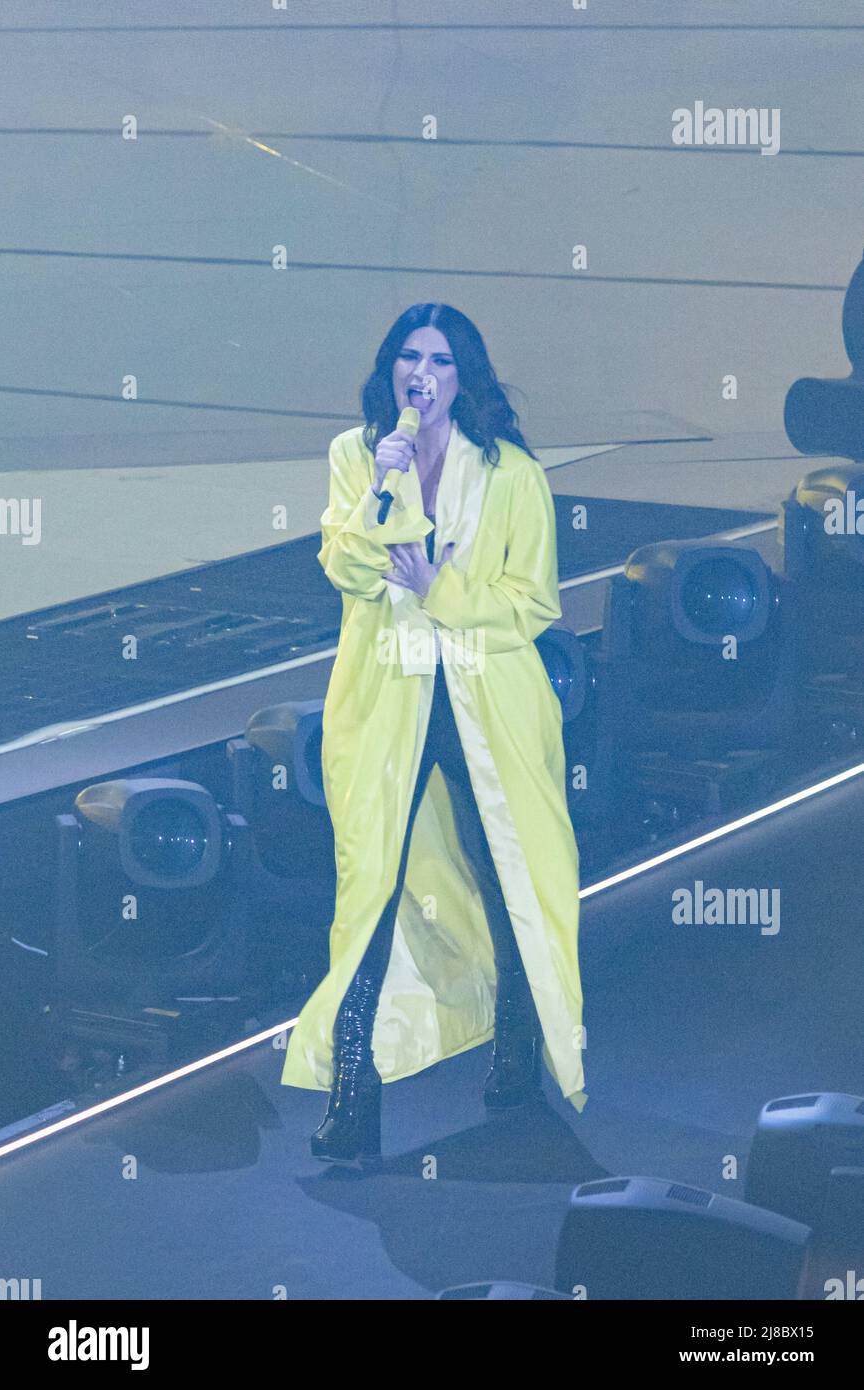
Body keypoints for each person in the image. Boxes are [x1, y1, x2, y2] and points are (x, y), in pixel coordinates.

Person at [281, 303, 587, 1165]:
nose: (423, 373)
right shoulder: (356, 455)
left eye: (441, 360)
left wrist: (441, 591)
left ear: (465, 377)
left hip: (486, 698)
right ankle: (353, 1094)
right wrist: (383, 490)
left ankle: (517, 1047)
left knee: (506, 874)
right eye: (410, 358)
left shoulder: (513, 473)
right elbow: (344, 569)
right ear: (391, 372)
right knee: (370, 888)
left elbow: (535, 602)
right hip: (387, 697)